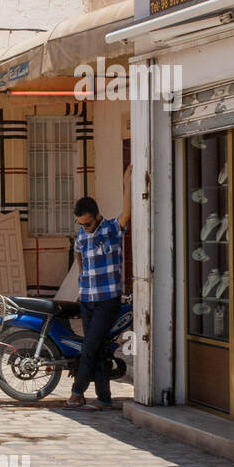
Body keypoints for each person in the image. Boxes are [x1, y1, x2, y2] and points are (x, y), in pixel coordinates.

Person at [66, 166, 133, 411]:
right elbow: (78, 253)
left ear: (96, 216)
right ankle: (103, 397)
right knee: (99, 347)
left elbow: (127, 212)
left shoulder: (111, 230)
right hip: (87, 299)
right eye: (80, 224)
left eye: (87, 223)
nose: (84, 227)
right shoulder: (81, 235)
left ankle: (76, 392)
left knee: (90, 346)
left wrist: (127, 183)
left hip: (107, 300)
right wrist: (82, 273)